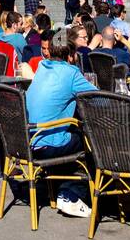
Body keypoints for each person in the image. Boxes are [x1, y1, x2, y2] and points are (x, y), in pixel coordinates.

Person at [24, 40, 97, 215]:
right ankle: (72, 193)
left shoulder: (42, 66)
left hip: (29, 140)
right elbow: (97, 97)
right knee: (91, 141)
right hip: (48, 143)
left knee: (72, 133)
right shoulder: (71, 73)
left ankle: (64, 188)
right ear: (71, 56)